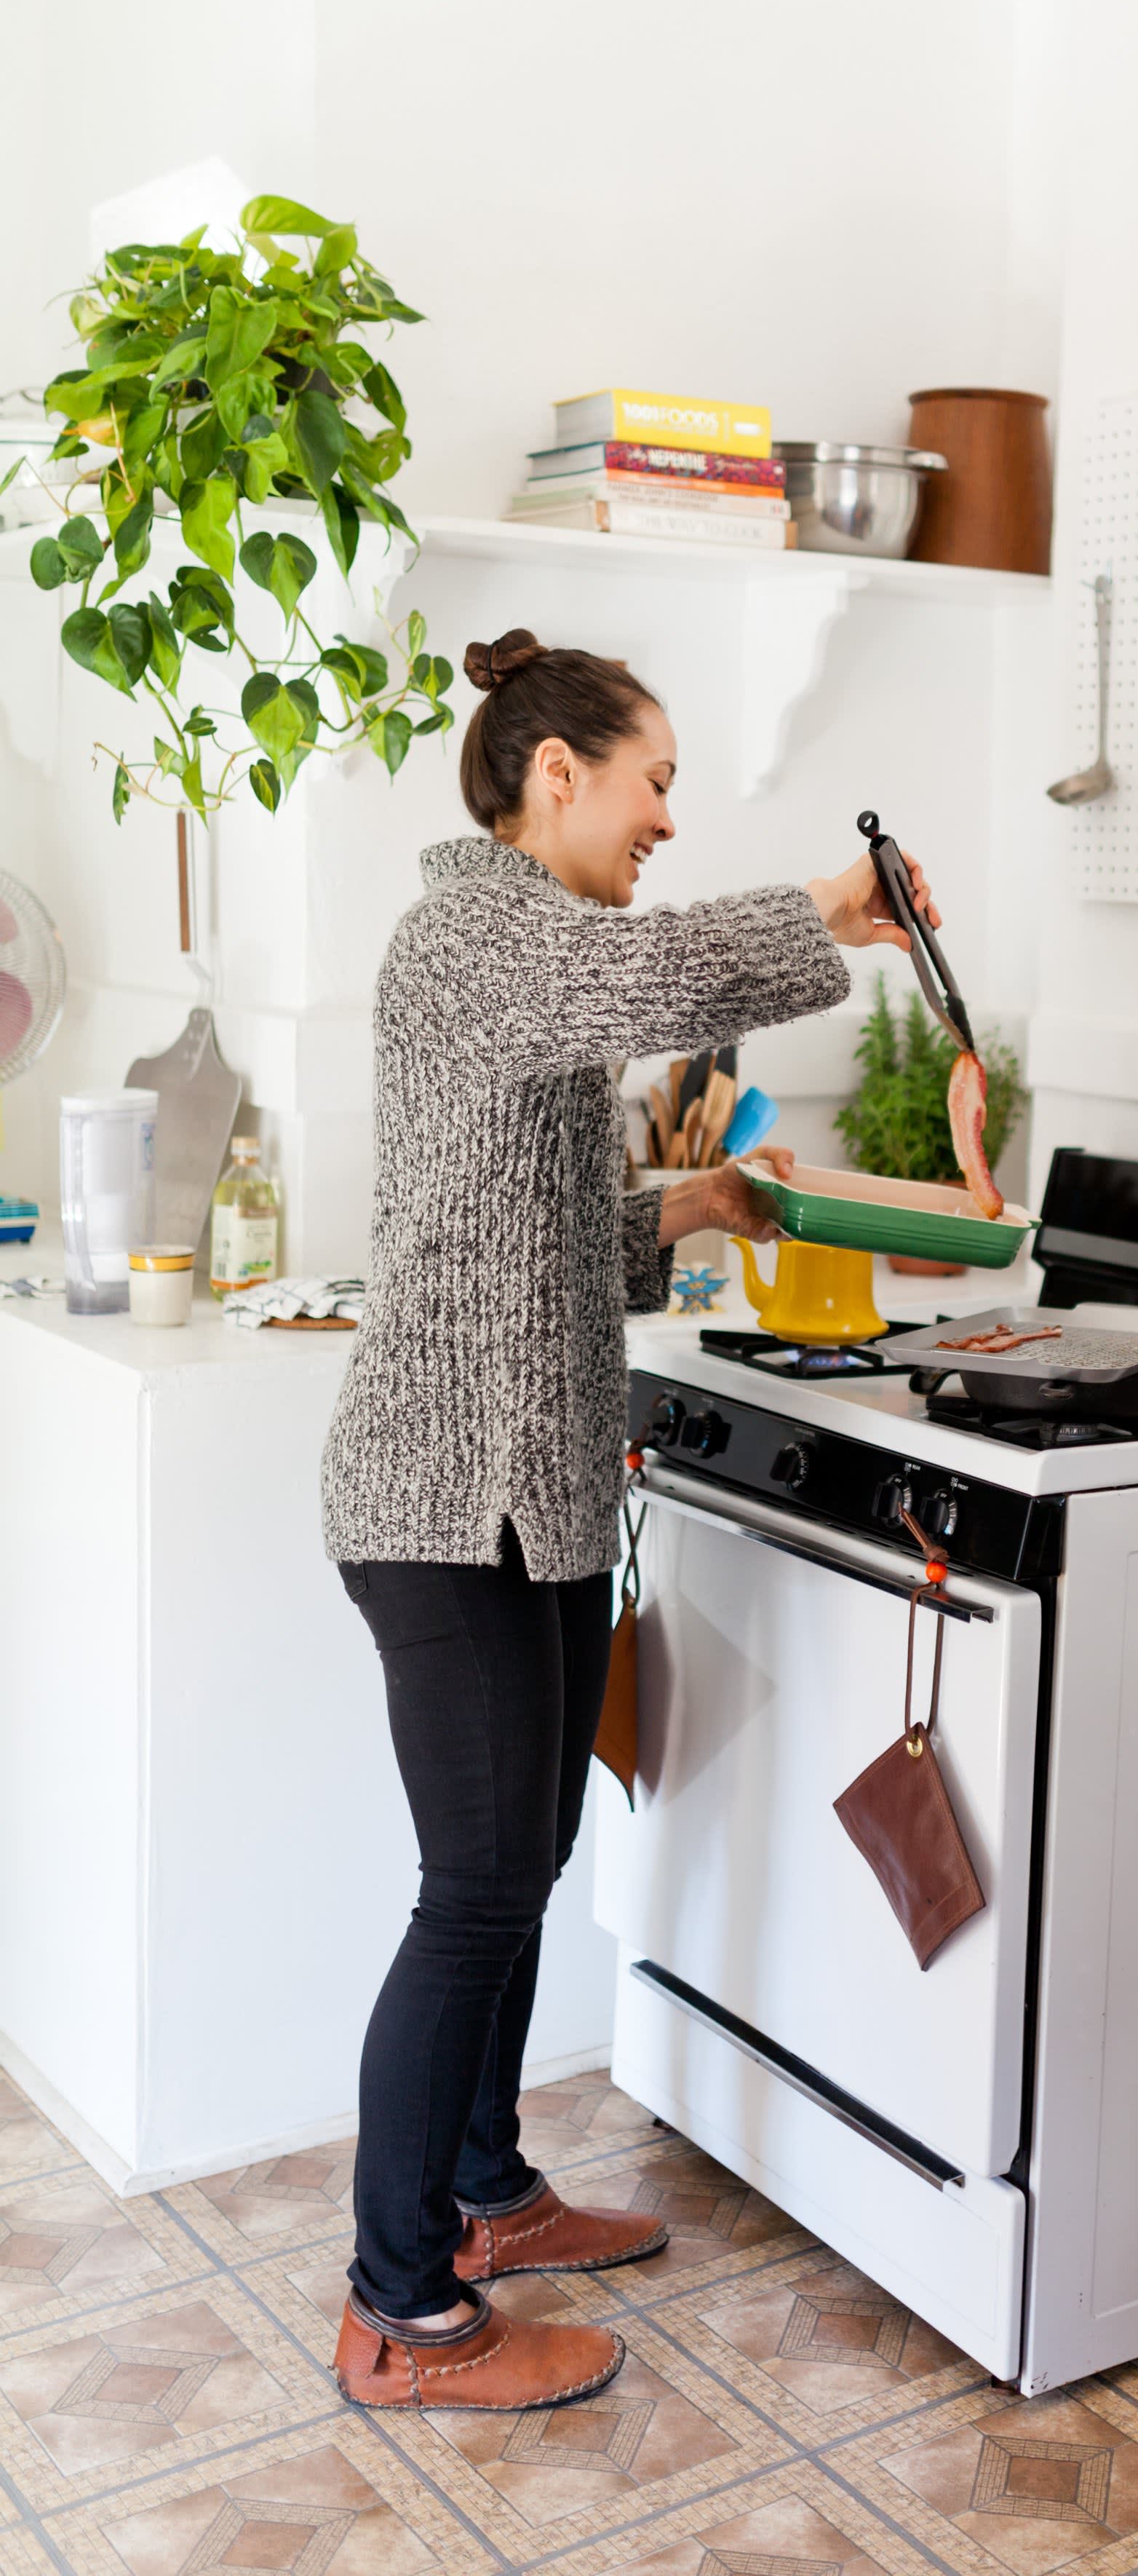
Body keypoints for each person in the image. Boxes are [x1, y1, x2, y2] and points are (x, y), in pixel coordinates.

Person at [320, 627, 938, 2412]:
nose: (669, 810)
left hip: (534, 1499)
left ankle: (483, 2195)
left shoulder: (532, 965)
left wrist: (704, 1195)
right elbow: (654, 972)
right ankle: (396, 2308)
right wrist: (829, 905)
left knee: (517, 1874)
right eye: (654, 775)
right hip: (442, 1500)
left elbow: (569, 1242)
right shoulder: (478, 933)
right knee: (473, 1891)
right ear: (554, 773)